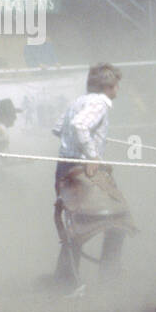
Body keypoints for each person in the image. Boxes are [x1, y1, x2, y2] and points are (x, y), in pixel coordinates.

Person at [53, 64, 124, 284]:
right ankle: (108, 277)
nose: (118, 89)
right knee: (118, 222)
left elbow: (58, 128)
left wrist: (94, 139)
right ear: (109, 86)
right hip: (82, 170)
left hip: (64, 168)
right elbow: (79, 125)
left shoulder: (78, 101)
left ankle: (64, 279)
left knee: (79, 224)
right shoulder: (100, 103)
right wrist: (92, 155)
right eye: (116, 85)